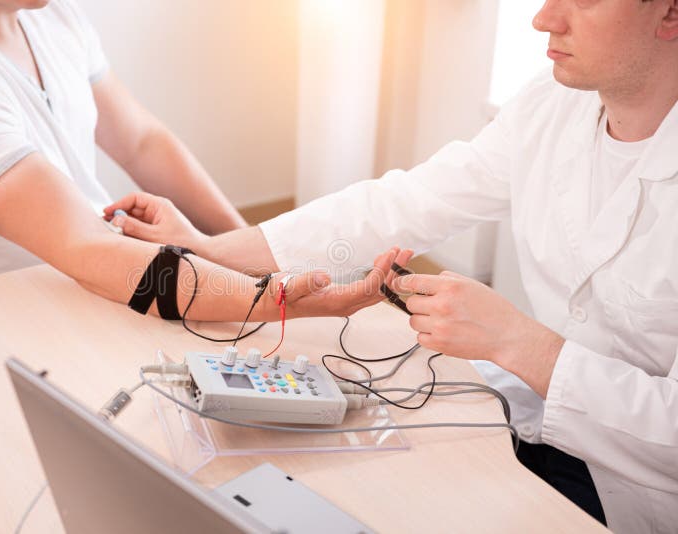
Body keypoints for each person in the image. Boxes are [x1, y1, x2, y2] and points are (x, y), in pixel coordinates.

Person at [104, 0, 678, 532]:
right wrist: (213, 248)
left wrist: (518, 343)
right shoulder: (551, 106)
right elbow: (402, 203)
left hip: (640, 494)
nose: (544, 18)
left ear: (669, 14)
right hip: (541, 427)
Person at [0, 0, 252, 302]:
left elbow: (142, 143)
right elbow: (85, 246)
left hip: (102, 277)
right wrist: (266, 291)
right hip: (1, 326)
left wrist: (251, 251)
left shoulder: (49, 12)